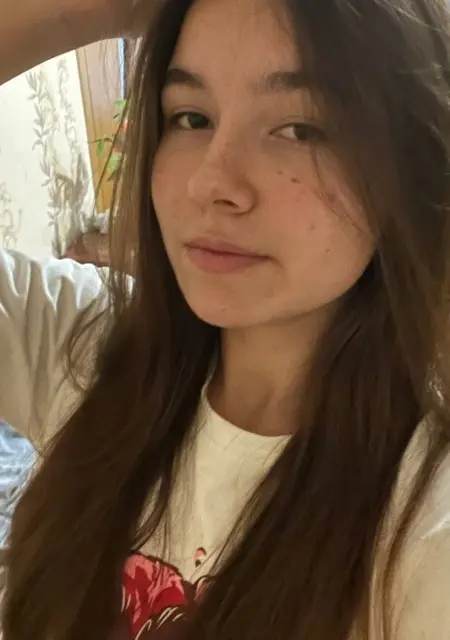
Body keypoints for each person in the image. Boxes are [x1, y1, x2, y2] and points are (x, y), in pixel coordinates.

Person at [1, 0, 450, 638]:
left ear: (412, 167)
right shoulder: (85, 342)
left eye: (301, 129)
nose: (211, 183)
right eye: (192, 117)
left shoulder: (426, 530)